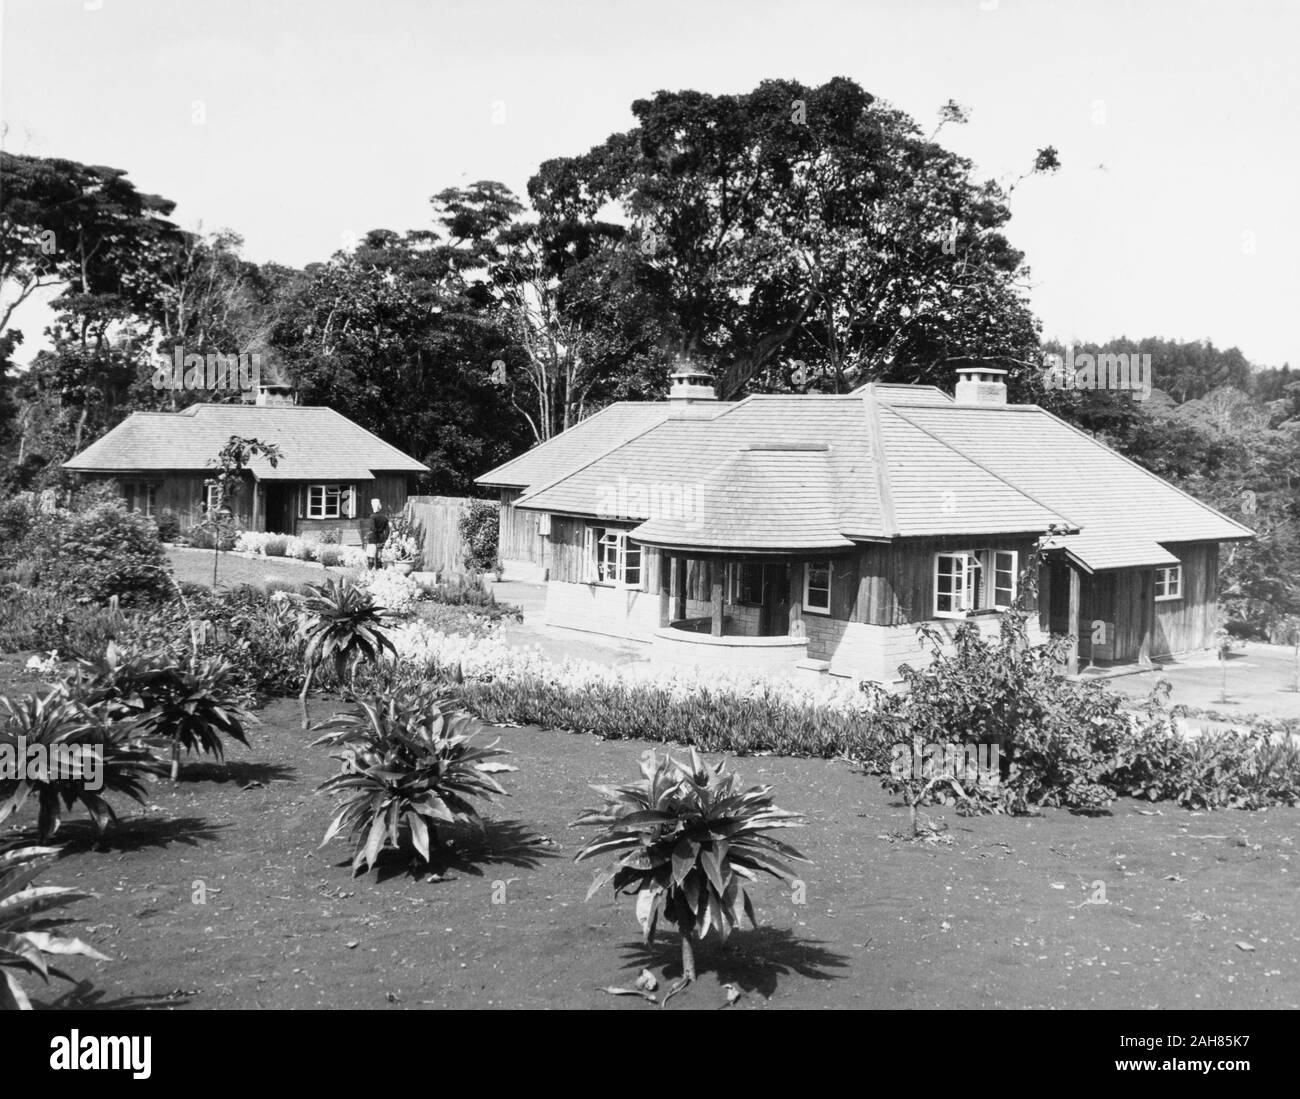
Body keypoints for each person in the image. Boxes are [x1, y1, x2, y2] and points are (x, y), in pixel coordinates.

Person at [365, 498, 389, 570]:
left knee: (371, 555)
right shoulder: (384, 517)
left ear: (373, 506)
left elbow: (373, 528)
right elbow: (387, 530)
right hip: (381, 538)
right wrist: (385, 539)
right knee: (379, 556)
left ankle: (370, 571)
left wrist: (373, 538)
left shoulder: (372, 516)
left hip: (373, 538)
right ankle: (379, 571)